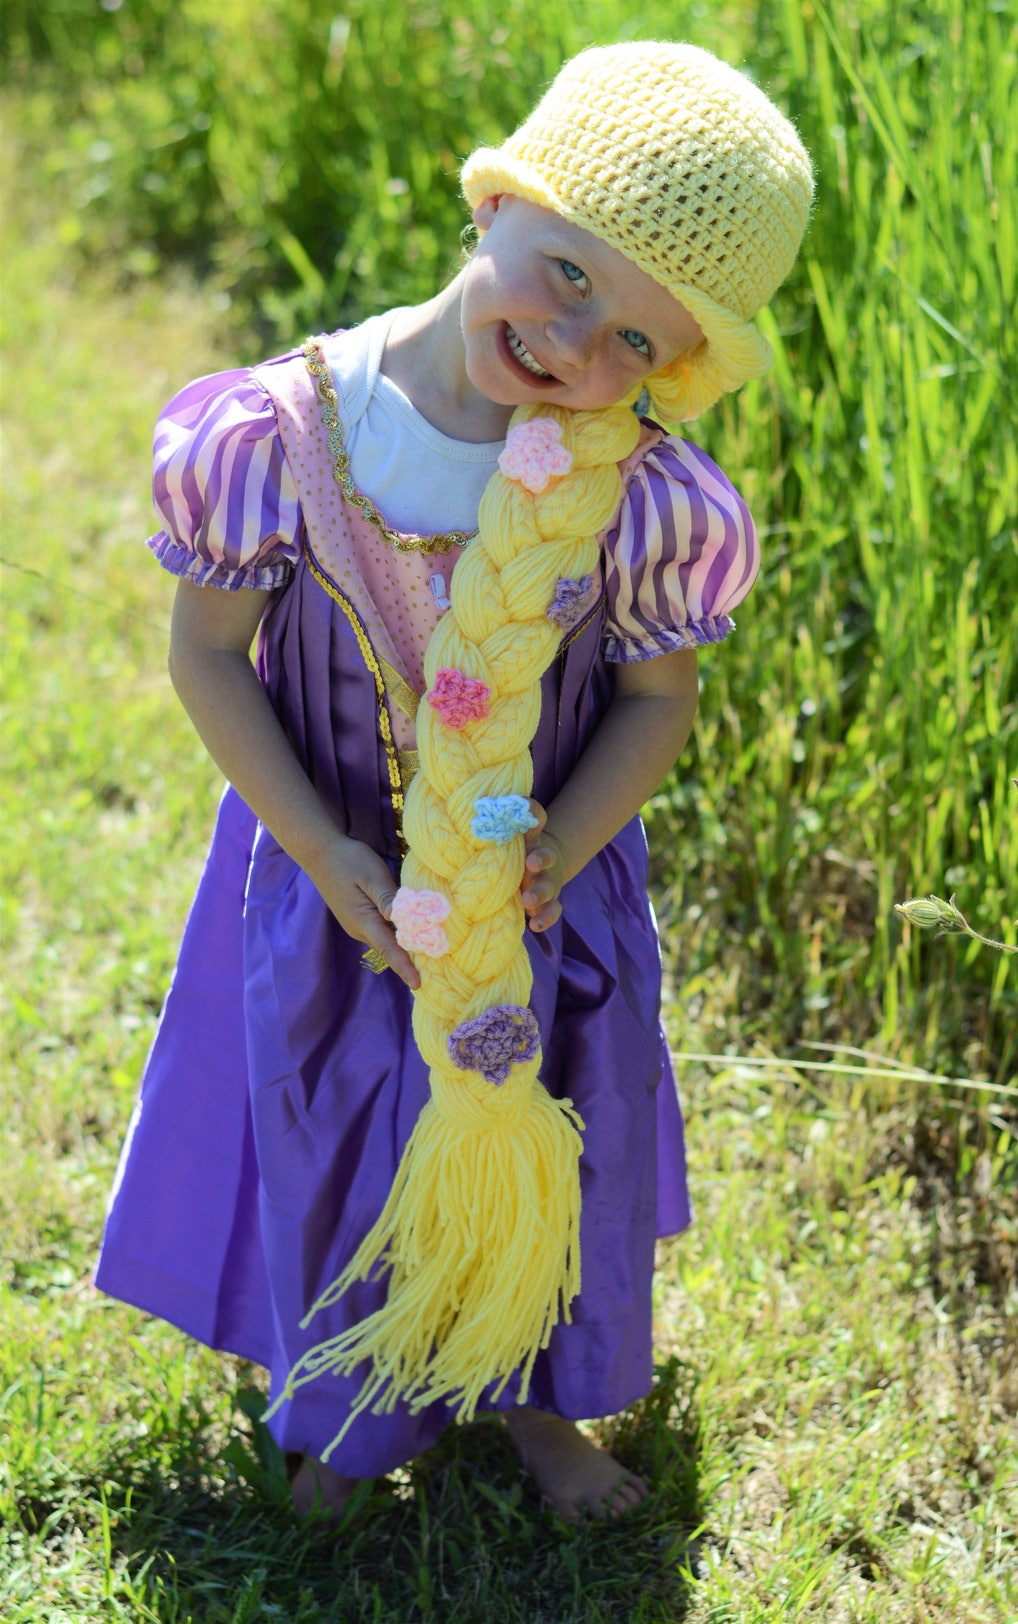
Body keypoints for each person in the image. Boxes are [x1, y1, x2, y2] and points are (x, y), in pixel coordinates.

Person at [96, 41, 812, 1523]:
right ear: (494, 202)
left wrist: (570, 836)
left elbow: (656, 697)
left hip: (535, 893)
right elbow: (211, 662)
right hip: (338, 873)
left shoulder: (636, 493)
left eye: (632, 339)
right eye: (564, 274)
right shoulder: (286, 435)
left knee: (551, 1120)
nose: (577, 345)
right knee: (341, 1125)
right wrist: (314, 851)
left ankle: (543, 1410)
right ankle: (350, 1415)